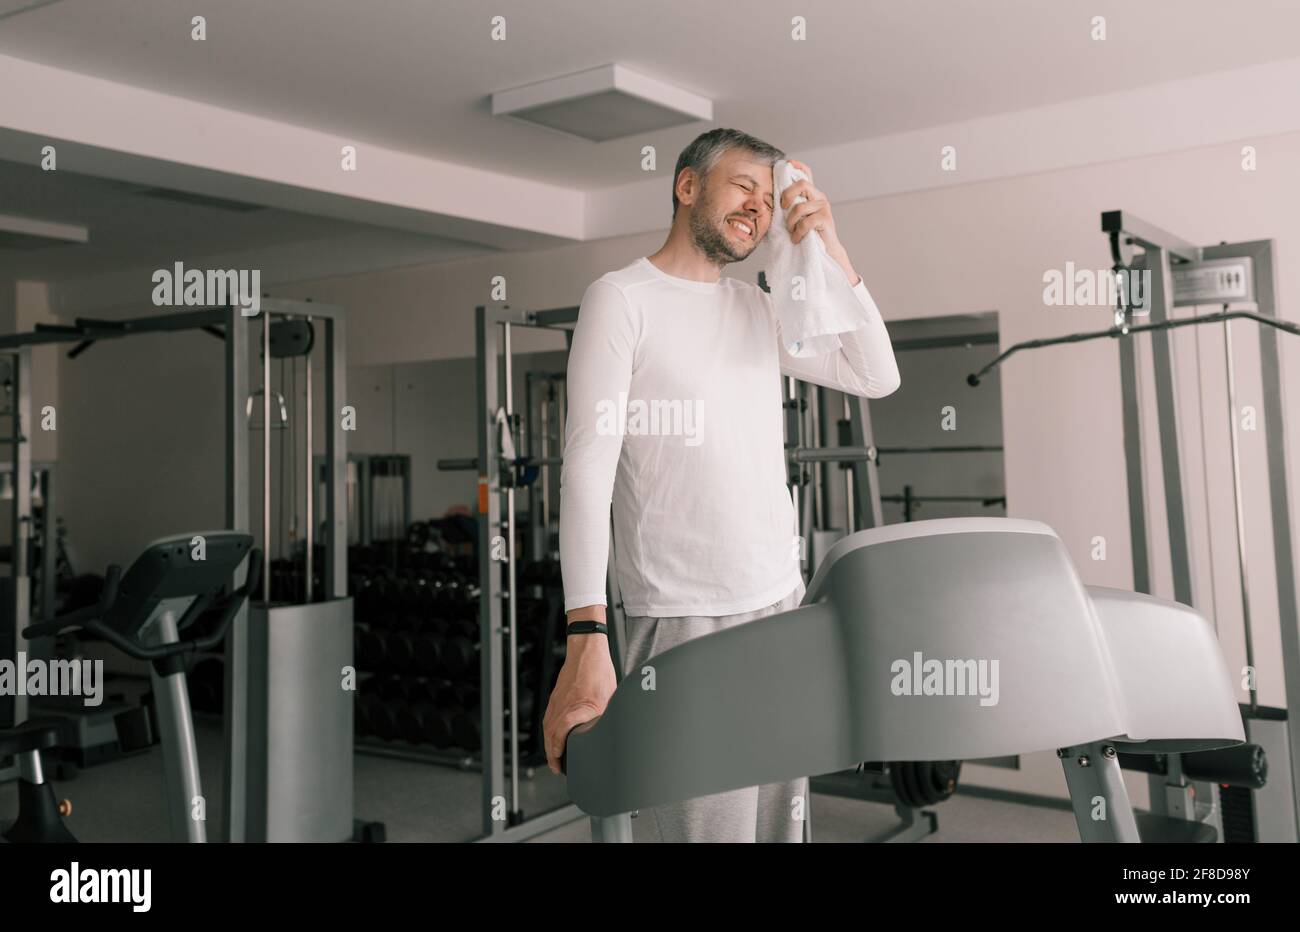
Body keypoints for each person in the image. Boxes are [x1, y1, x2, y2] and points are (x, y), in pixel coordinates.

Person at [542, 128, 901, 842]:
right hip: (679, 611)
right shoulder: (620, 298)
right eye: (742, 187)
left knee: (781, 830)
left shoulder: (760, 309)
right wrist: (587, 636)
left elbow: (874, 375)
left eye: (768, 201)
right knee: (707, 831)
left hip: (780, 601)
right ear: (687, 187)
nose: (758, 209)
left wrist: (830, 251)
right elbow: (586, 468)